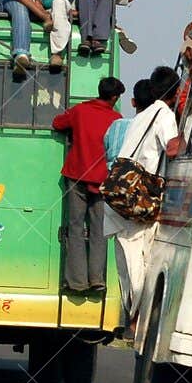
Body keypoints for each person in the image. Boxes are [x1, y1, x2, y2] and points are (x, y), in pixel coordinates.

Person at [104, 73, 183, 333]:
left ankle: (132, 315)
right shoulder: (164, 114)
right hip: (140, 198)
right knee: (140, 259)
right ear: (175, 93)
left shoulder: (141, 116)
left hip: (120, 195)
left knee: (126, 261)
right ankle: (136, 320)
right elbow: (171, 149)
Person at [51, 77, 125, 294]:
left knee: (74, 228)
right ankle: (97, 279)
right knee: (98, 231)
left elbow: (57, 123)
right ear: (114, 97)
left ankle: (76, 282)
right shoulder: (116, 119)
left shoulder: (80, 111)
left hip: (77, 176)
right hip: (103, 182)